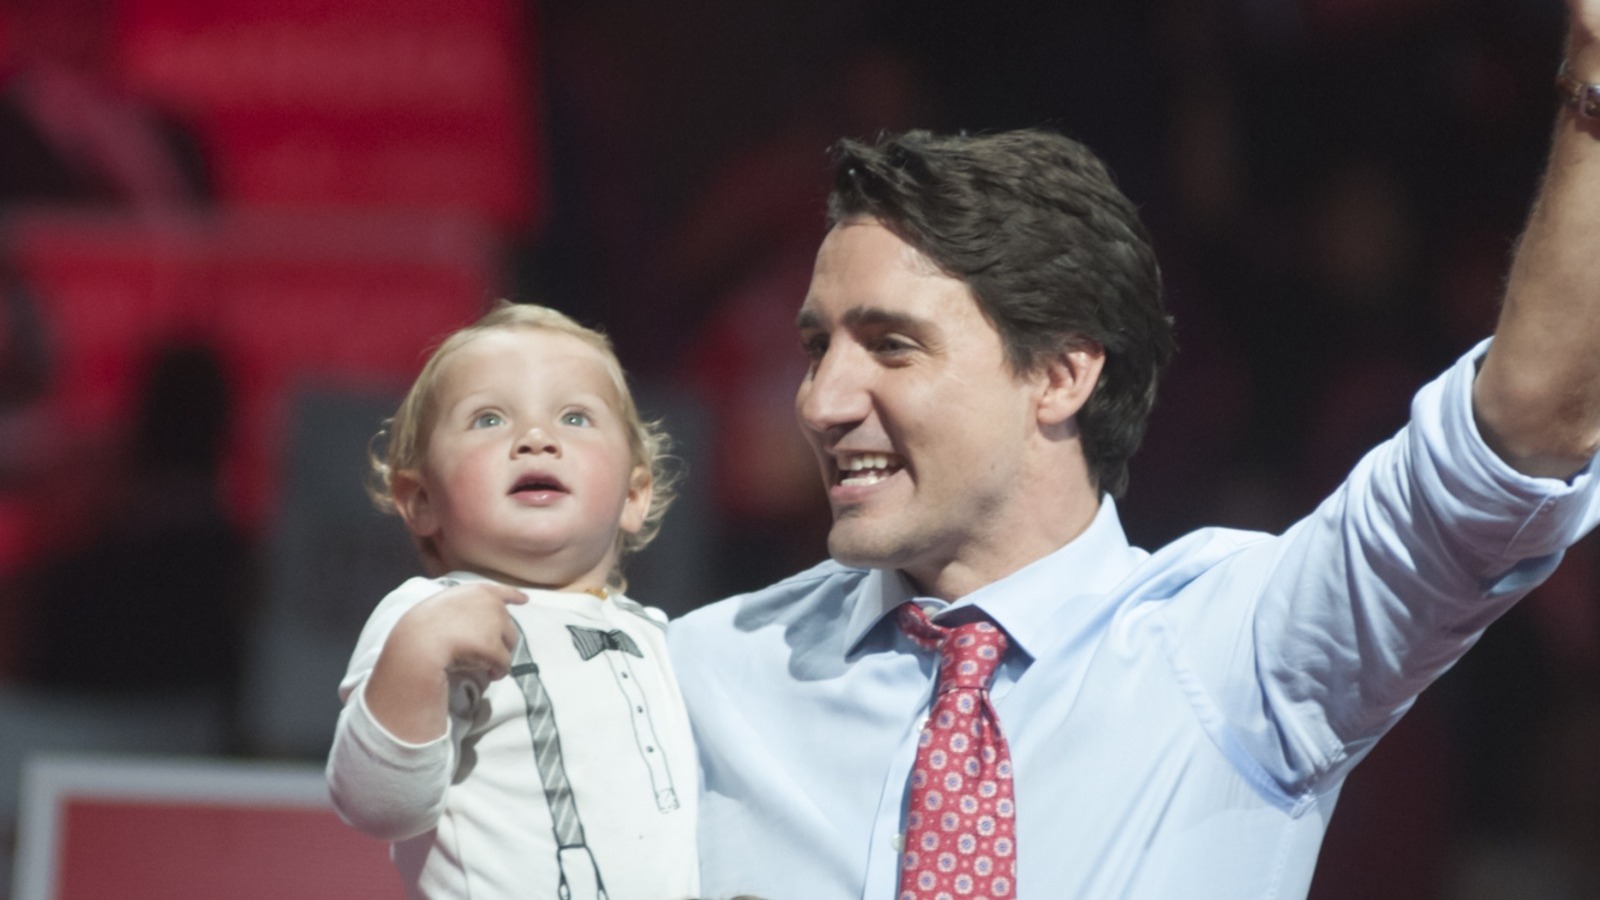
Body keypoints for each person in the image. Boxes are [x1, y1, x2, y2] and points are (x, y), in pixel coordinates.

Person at [666, 6, 1600, 898]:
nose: (821, 402)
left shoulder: (1247, 650)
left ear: (1062, 375)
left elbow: (1528, 429)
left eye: (892, 346)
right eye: (817, 347)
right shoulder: (698, 673)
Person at [325, 301, 697, 900]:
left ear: (635, 494)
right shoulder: (430, 617)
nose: (536, 439)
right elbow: (378, 807)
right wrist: (416, 658)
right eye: (489, 419)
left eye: (575, 418)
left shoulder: (664, 641)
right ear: (420, 499)